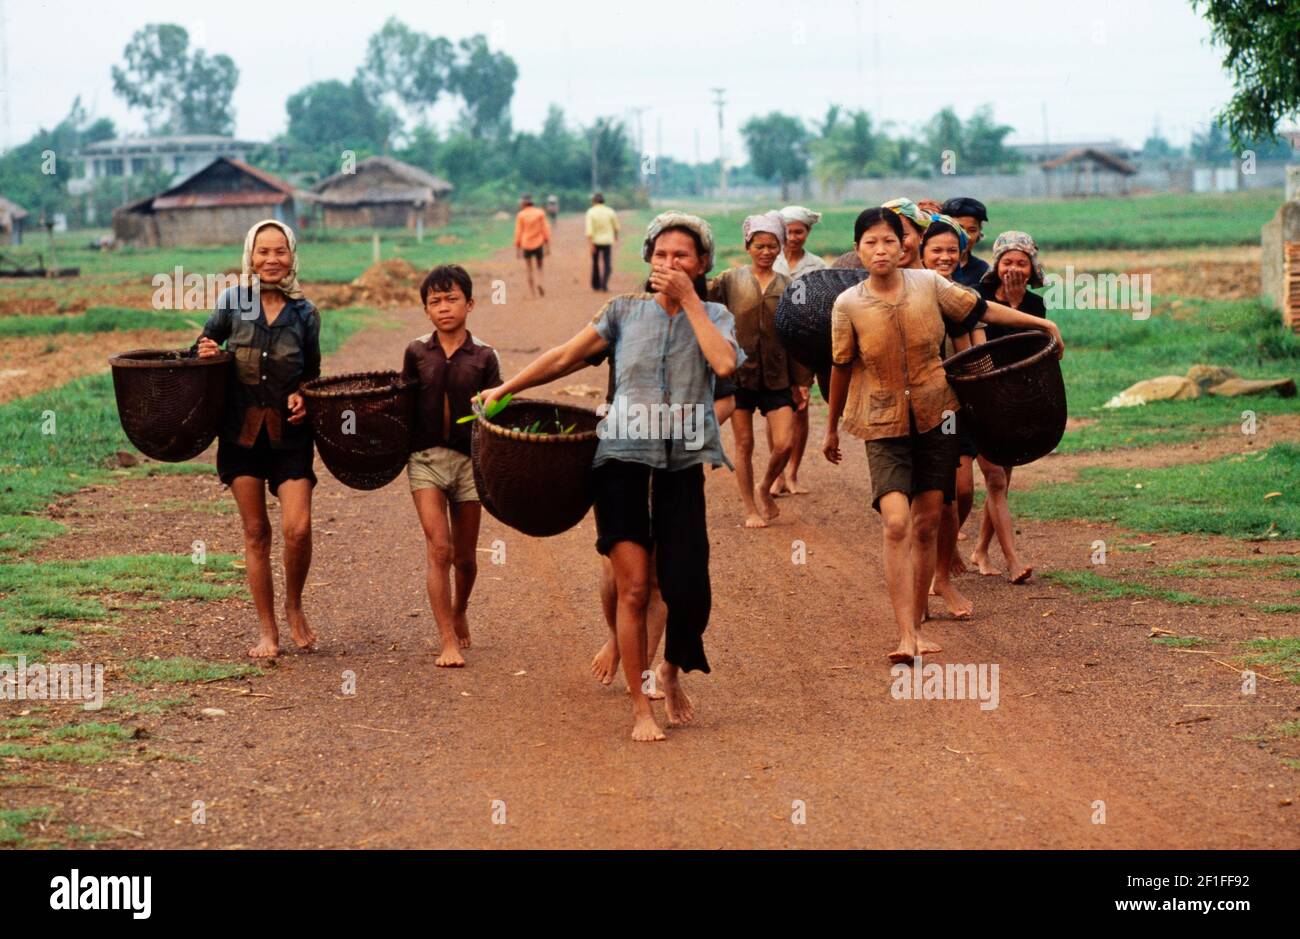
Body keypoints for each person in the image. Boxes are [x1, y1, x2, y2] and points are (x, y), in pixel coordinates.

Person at [478, 211, 741, 742]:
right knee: (635, 587)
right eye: (661, 255)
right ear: (647, 260)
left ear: (702, 263)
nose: (669, 264)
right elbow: (566, 356)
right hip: (621, 460)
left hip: (681, 464)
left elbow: (726, 366)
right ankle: (641, 704)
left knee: (687, 587)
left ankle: (671, 669)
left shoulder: (714, 315)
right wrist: (506, 388)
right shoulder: (622, 312)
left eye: (682, 256)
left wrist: (689, 299)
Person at [821, 207, 1063, 664]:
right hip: (883, 422)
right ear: (858, 249)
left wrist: (1042, 323)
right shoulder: (847, 304)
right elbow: (840, 366)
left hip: (937, 416)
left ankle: (918, 619)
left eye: (889, 241)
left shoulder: (930, 285)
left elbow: (980, 309)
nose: (880, 250)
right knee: (896, 523)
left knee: (928, 523)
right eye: (870, 243)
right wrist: (831, 427)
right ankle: (905, 635)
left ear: (903, 246)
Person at [194, 219, 321, 659]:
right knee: (255, 532)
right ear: (250, 256)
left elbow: (312, 374)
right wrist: (206, 350)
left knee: (298, 528)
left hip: (291, 435)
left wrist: (304, 395)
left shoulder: (306, 313)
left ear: (292, 257)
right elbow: (203, 344)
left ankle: (294, 605)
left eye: (280, 251)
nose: (272, 260)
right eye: (263, 252)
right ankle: (267, 630)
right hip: (240, 434)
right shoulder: (233, 302)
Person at [401, 264, 502, 668]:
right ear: (426, 310)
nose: (444, 308)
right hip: (424, 460)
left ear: (470, 304)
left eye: (452, 299)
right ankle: (446, 639)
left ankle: (460, 608)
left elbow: (496, 409)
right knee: (438, 549)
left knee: (465, 558)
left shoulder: (485, 356)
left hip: (469, 463)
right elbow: (402, 401)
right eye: (435, 302)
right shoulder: (415, 351)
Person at [709, 211, 809, 529]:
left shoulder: (790, 285)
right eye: (759, 246)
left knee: (784, 443)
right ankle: (750, 508)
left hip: (778, 376)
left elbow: (798, 334)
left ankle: (764, 486)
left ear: (780, 246)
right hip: (739, 376)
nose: (766, 252)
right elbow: (701, 307)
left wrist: (802, 381)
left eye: (772, 246)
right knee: (744, 444)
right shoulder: (728, 280)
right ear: (747, 246)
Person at [970, 230, 1050, 584]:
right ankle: (1013, 560)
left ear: (1031, 269)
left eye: (1021, 262)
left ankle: (979, 551)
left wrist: (1018, 304)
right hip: (980, 400)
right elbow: (984, 349)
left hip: (1014, 403)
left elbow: (1028, 353)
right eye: (1007, 262)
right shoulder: (979, 299)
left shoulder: (1035, 306)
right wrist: (1007, 305)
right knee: (996, 478)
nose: (1013, 268)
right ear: (996, 265)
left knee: (999, 483)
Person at [918, 214, 982, 620]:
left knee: (960, 493)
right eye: (936, 250)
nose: (944, 257)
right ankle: (927, 585)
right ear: (921, 255)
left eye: (951, 251)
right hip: (916, 407)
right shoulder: (908, 292)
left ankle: (942, 572)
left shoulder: (963, 298)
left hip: (955, 408)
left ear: (962, 256)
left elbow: (974, 352)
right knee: (925, 507)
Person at [770, 205, 826, 496]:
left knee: (800, 407)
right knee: (777, 406)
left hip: (803, 343)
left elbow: (823, 306)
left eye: (798, 231)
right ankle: (776, 472)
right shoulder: (769, 258)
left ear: (807, 233)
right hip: (773, 344)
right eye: (788, 232)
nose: (793, 237)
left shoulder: (817, 266)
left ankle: (792, 472)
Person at [941, 197, 991, 287]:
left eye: (972, 230)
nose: (966, 236)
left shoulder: (982, 271)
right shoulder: (925, 264)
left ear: (979, 232)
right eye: (959, 228)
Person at [514, 193, 551, 298]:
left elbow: (518, 232)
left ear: (523, 203)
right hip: (539, 243)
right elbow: (545, 229)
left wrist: (518, 249)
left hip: (526, 244)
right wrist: (547, 246)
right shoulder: (540, 213)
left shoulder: (521, 215)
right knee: (539, 267)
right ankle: (540, 283)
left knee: (529, 269)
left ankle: (532, 293)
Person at [585, 192, 620, 292]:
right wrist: (616, 236)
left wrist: (591, 244)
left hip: (595, 241)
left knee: (595, 263)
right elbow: (616, 226)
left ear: (594, 202)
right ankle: (604, 283)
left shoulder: (591, 212)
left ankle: (596, 285)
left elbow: (589, 230)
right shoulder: (610, 211)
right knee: (607, 263)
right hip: (607, 241)